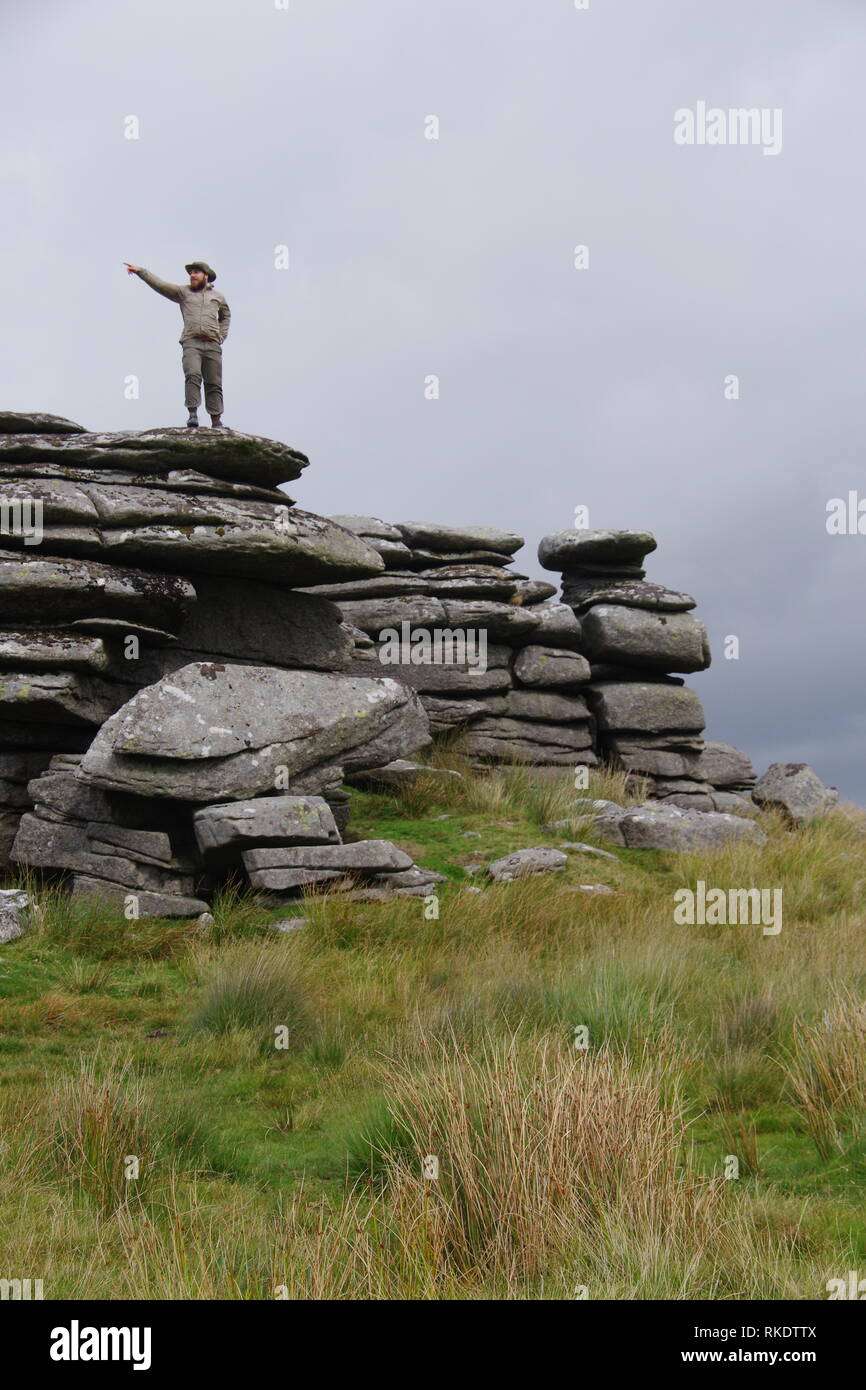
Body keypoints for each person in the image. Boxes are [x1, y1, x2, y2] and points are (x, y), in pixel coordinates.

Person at [123, 260, 231, 428]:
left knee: (214, 383)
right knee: (193, 375)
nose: (192, 276)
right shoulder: (183, 292)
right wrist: (140, 271)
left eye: (196, 272)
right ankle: (193, 414)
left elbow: (225, 316)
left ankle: (216, 421)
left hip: (212, 345)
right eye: (191, 273)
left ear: (206, 276)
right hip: (191, 342)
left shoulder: (218, 296)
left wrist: (221, 336)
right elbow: (160, 285)